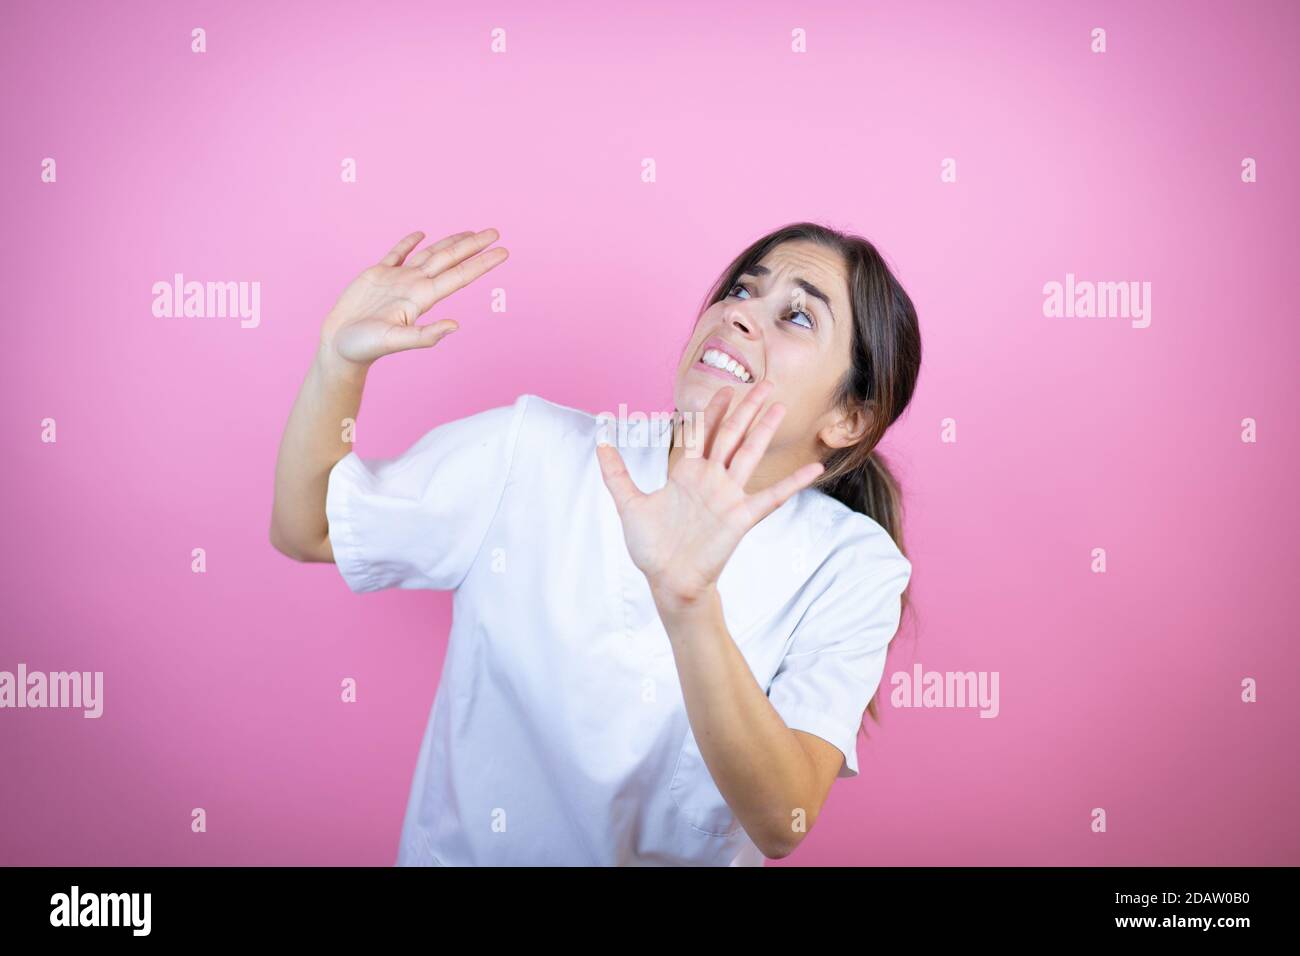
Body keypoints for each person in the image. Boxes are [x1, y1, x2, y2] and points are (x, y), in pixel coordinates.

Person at [270, 221, 922, 866]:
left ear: (849, 418)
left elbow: (785, 820)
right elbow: (310, 529)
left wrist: (687, 602)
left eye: (799, 317)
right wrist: (338, 359)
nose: (741, 315)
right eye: (744, 291)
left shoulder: (854, 566)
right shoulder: (531, 450)